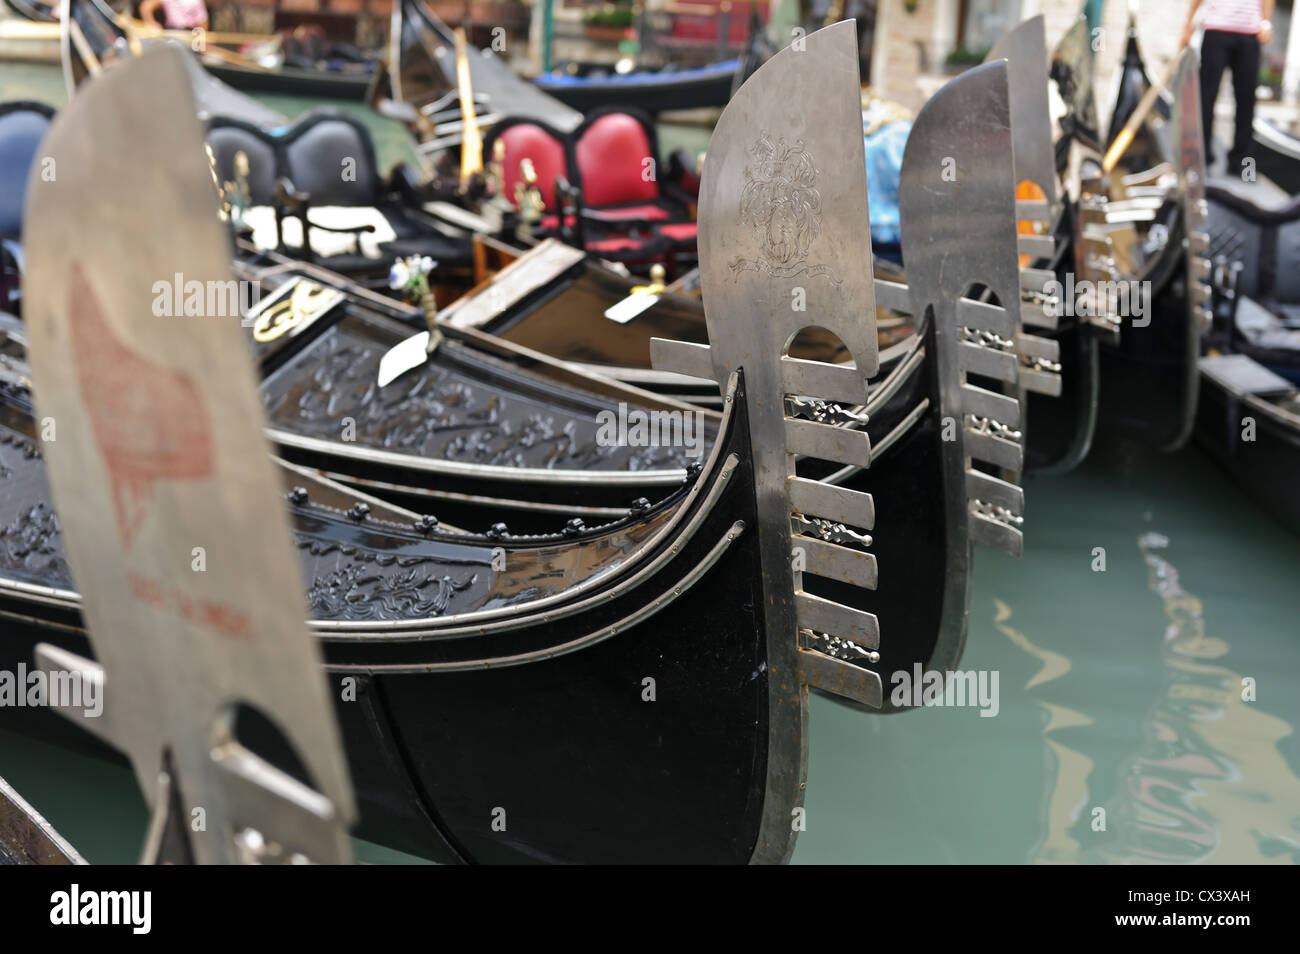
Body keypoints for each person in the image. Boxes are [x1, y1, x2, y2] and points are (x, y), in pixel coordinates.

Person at [1181, 0, 1275, 172]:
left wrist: (1266, 22)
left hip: (1250, 32)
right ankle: (1202, 160)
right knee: (1206, 97)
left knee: (1247, 100)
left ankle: (1245, 167)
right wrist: (1188, 25)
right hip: (1216, 29)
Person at [139, 0, 209, 31]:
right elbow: (146, 6)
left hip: (190, 33)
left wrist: (200, 40)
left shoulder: (195, 1)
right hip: (171, 31)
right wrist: (152, 24)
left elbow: (203, 21)